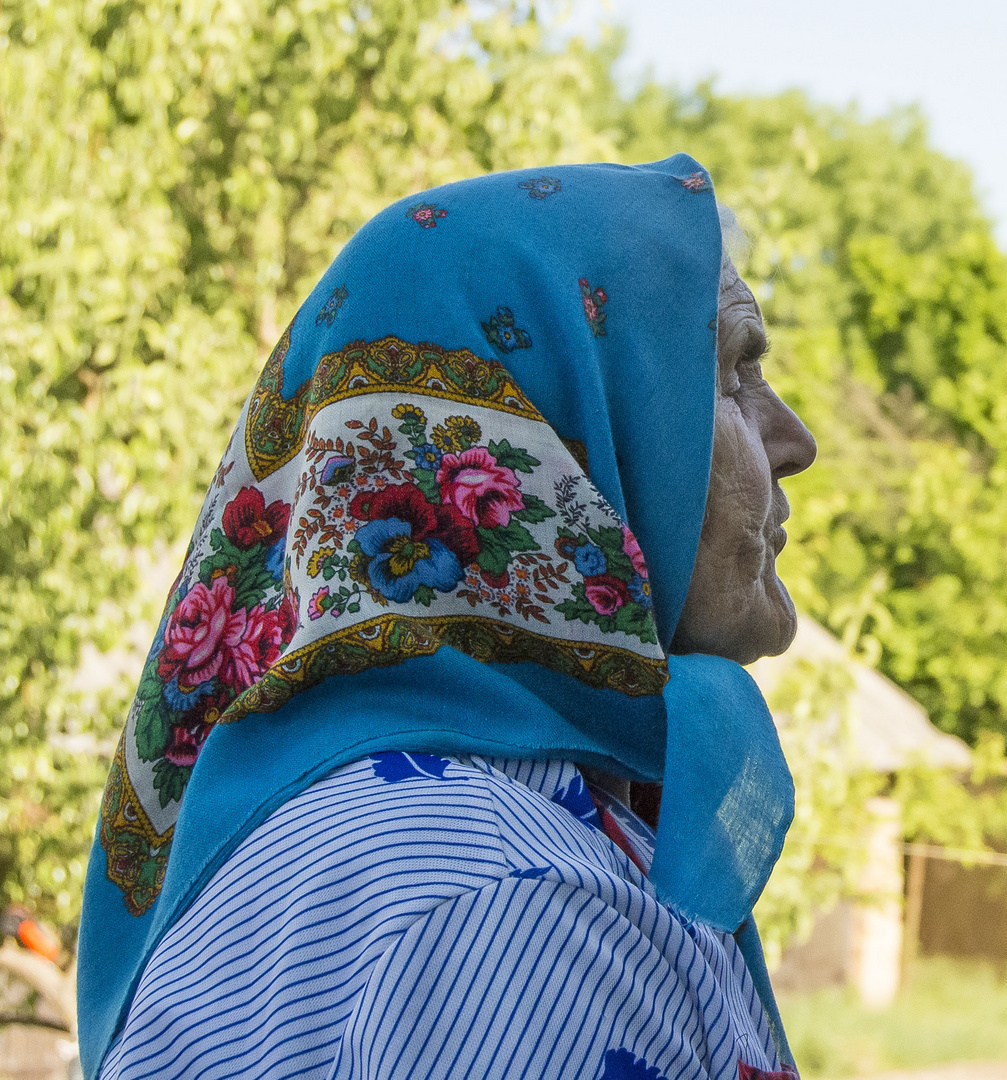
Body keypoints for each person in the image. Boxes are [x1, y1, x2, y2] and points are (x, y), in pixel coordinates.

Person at [77, 157, 817, 1079]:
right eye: (734, 372)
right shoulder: (505, 896)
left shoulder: (397, 827)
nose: (795, 440)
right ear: (567, 427)